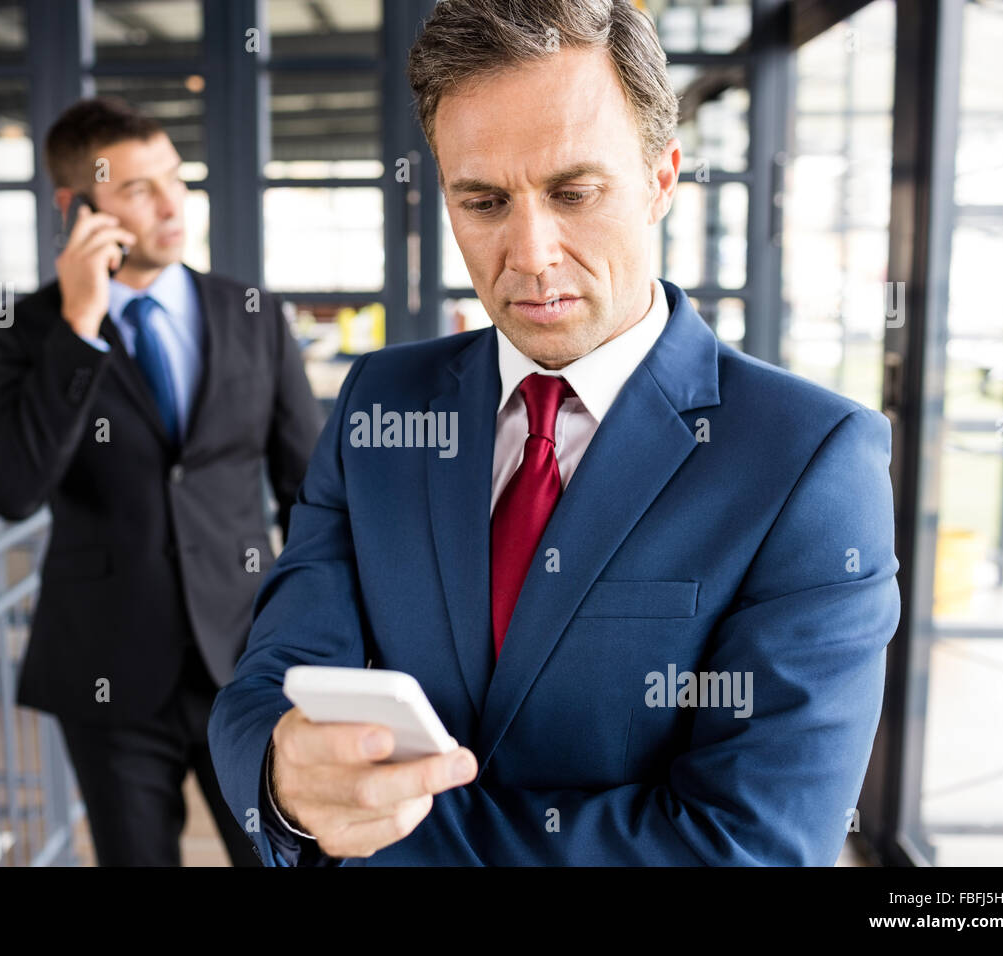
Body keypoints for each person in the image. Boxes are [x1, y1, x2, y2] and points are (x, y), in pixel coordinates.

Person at [208, 0, 900, 866]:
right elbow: (269, 681)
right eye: (485, 200)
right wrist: (284, 775)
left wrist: (377, 844)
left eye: (574, 192)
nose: (531, 254)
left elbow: (746, 843)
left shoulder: (811, 460)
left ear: (661, 178)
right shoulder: (381, 402)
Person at [0, 97, 322, 866]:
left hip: (250, 659)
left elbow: (309, 493)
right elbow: (9, 488)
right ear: (77, 208)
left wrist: (316, 637)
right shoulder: (27, 333)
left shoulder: (252, 314)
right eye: (137, 188)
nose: (171, 205)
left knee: (284, 857)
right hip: (107, 667)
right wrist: (79, 328)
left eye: (174, 177)